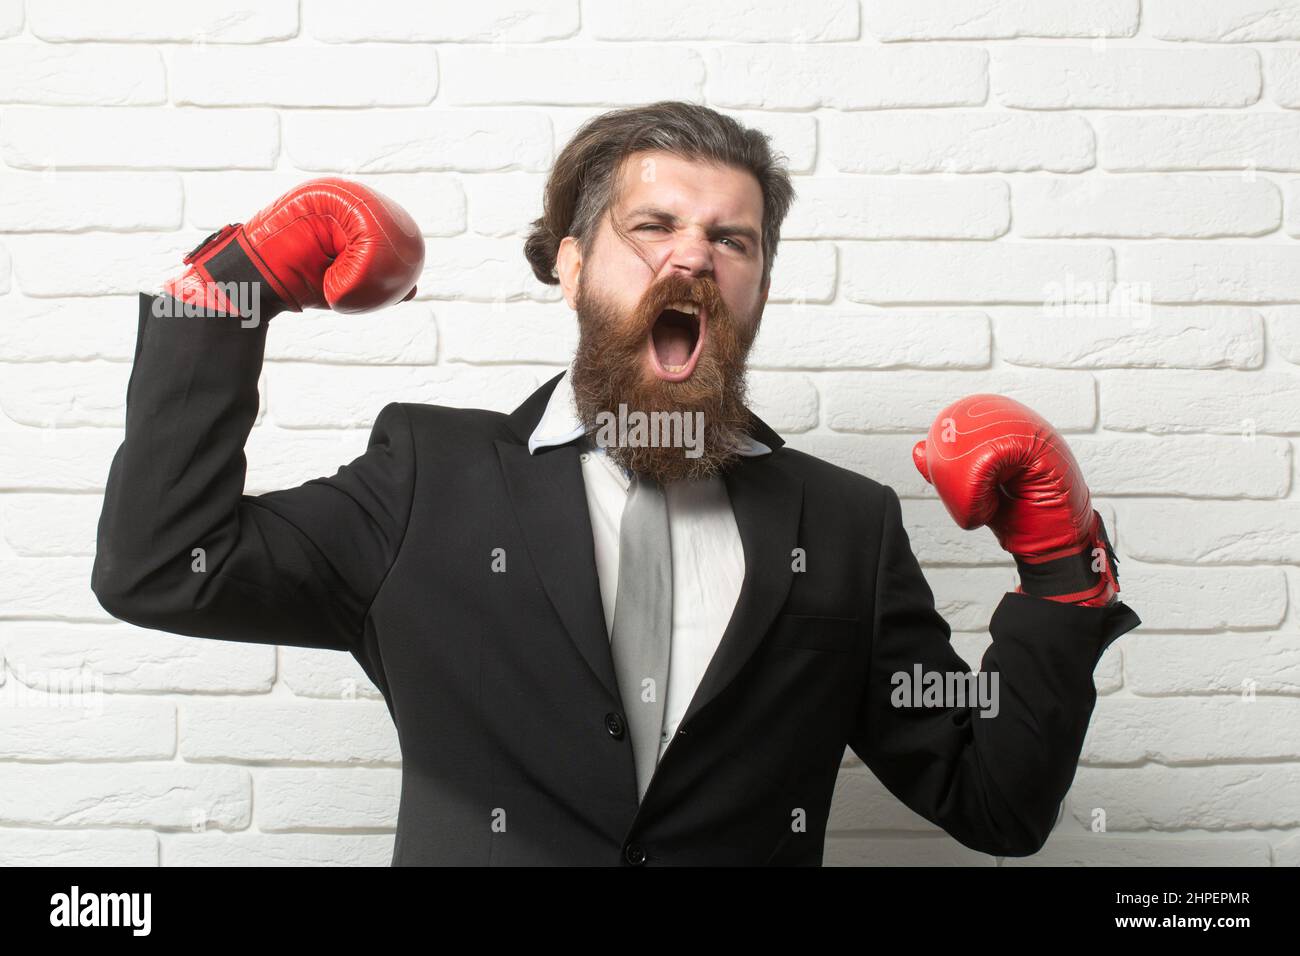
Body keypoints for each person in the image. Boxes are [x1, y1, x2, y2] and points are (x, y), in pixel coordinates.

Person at [92, 101, 1140, 866]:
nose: (695, 258)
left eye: (732, 239)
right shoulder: (429, 478)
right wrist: (234, 284)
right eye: (655, 227)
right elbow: (162, 571)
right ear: (570, 260)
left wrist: (1062, 569)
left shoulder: (844, 524)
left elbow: (992, 800)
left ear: (758, 282)